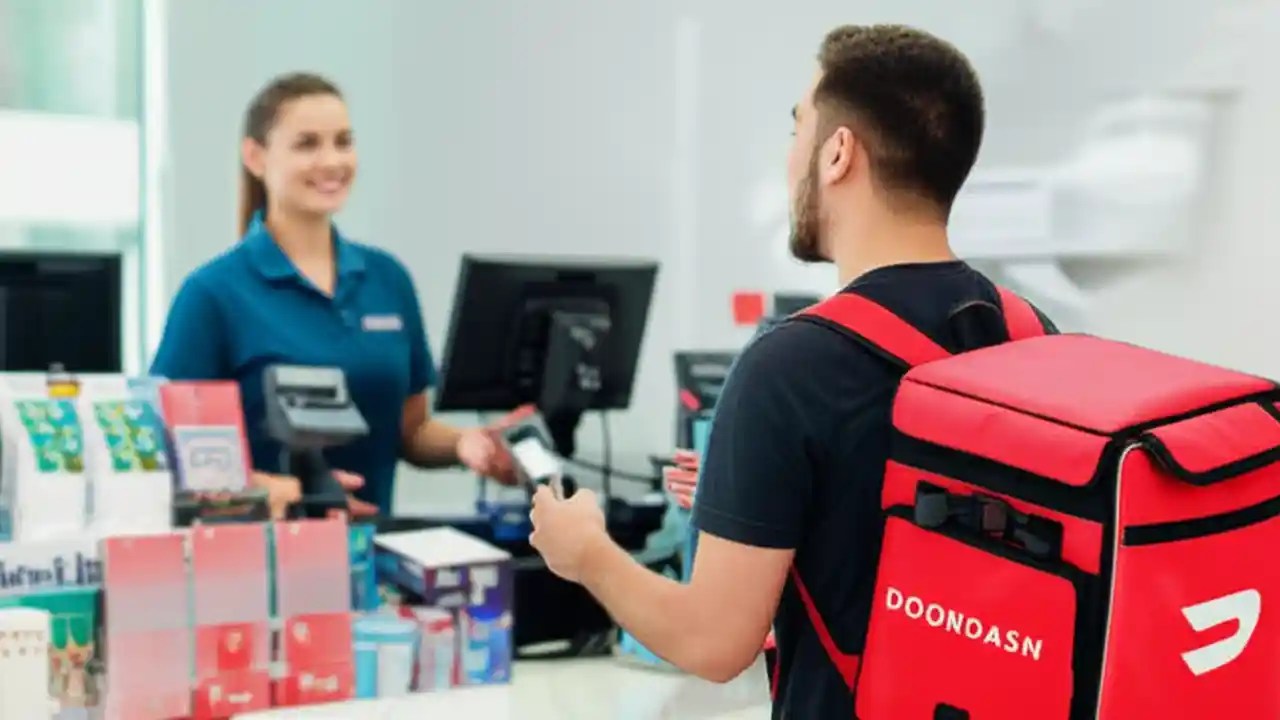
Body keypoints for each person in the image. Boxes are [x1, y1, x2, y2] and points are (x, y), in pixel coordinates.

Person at [528, 24, 1057, 718]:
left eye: (796, 127)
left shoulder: (789, 366)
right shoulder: (1031, 331)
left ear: (838, 153)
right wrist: (752, 511)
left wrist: (585, 553)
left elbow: (714, 643)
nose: (789, 159)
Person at [151, 72, 515, 519]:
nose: (332, 160)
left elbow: (410, 431)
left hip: (375, 563)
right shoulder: (213, 294)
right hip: (258, 567)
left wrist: (465, 444)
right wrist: (292, 492)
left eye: (343, 141)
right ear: (255, 156)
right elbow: (171, 457)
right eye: (307, 144)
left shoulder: (388, 279)